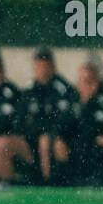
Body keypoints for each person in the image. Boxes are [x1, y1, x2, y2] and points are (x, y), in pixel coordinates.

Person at [21, 48, 77, 185]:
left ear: (53, 67)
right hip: (31, 137)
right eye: (38, 67)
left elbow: (67, 119)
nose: (42, 71)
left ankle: (47, 184)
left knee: (46, 141)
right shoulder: (29, 90)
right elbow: (21, 120)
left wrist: (50, 132)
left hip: (60, 137)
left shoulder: (64, 89)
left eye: (45, 67)